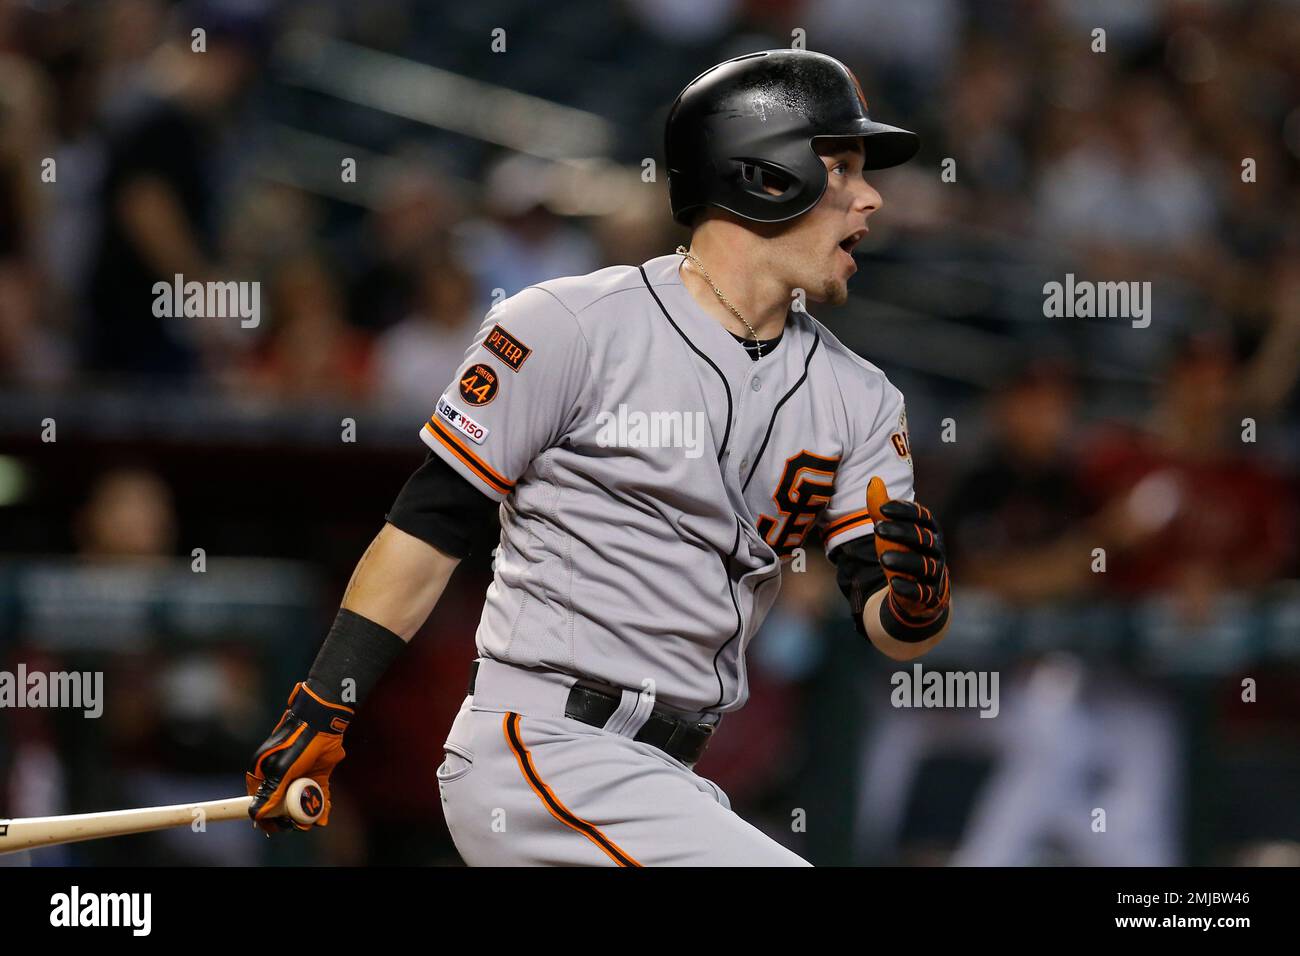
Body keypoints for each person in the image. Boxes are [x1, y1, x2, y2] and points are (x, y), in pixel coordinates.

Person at [244, 50, 953, 866]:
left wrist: (914, 613)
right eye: (843, 166)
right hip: (542, 749)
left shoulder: (861, 398)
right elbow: (427, 529)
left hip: (673, 775)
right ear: (765, 173)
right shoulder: (572, 326)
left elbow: (886, 619)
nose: (871, 198)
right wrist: (323, 704)